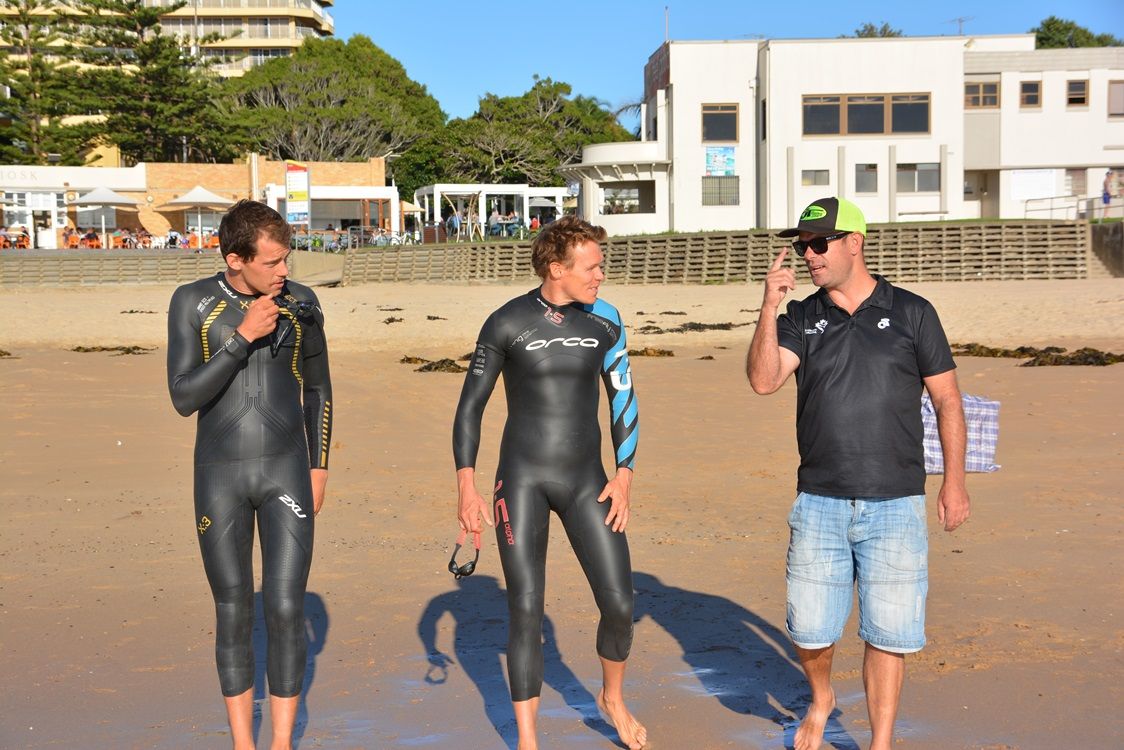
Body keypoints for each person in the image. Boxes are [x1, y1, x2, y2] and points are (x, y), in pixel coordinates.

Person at [746, 196, 970, 750]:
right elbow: (763, 380)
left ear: (855, 242)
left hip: (896, 501)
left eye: (820, 243)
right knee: (810, 633)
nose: (809, 255)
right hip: (820, 499)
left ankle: (881, 741)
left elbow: (947, 401)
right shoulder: (800, 316)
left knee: (888, 634)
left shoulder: (913, 311)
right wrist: (770, 306)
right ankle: (821, 698)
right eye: (803, 245)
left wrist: (955, 483)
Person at [452, 215, 647, 750]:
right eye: (592, 266)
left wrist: (625, 474)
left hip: (590, 481)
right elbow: (471, 407)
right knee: (526, 608)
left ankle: (613, 696)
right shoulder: (506, 322)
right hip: (521, 480)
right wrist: (467, 486)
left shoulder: (606, 321)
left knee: (620, 604)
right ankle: (529, 740)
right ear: (557, 268)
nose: (601, 275)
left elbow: (623, 399)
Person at [167, 199, 333, 750]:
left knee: (286, 607)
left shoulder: (302, 303)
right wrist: (242, 337)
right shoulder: (192, 302)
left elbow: (319, 388)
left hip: (288, 471)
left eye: (287, 259)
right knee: (233, 607)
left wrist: (320, 465)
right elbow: (183, 396)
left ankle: (281, 744)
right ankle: (244, 744)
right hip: (220, 474)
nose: (284, 271)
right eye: (272, 262)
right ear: (236, 259)